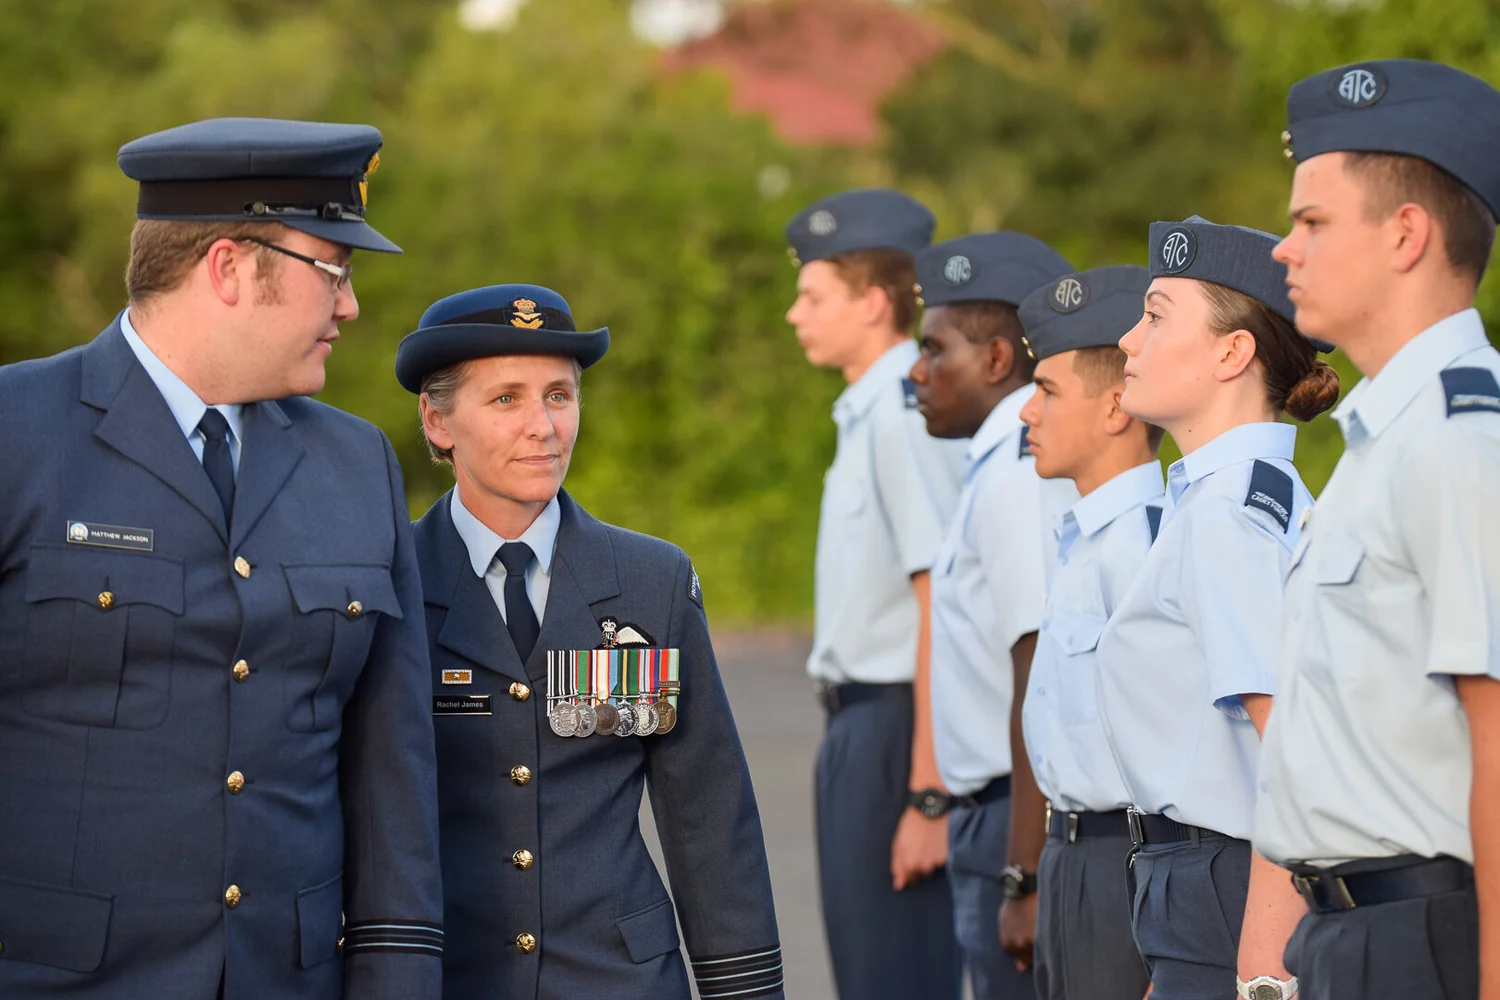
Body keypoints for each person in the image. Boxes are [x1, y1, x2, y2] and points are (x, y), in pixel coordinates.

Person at [0, 118, 443, 999]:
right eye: (334, 269)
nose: (350, 305)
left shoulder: (356, 465)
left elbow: (393, 774)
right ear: (230, 268)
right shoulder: (17, 433)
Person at [395, 283, 783, 1000]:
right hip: (450, 979)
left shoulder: (648, 582)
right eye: (506, 398)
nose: (543, 427)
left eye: (559, 396)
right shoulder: (391, 585)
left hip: (620, 979)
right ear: (437, 419)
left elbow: (707, 819)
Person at [1255, 59, 1500, 1000]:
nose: (1285, 248)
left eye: (1312, 221)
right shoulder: (1377, 445)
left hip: (1420, 941)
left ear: (1406, 234)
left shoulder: (1457, 438)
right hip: (1344, 938)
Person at [1094, 216, 1340, 1000]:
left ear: (1233, 353)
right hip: (1199, 883)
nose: (1129, 341)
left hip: (1230, 885)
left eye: (1157, 316)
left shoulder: (1225, 516)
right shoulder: (1237, 499)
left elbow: (1290, 753)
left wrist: (1262, 969)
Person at [784, 188, 967, 1000]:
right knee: (867, 970)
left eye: (812, 296)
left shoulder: (904, 414)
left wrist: (928, 793)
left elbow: (942, 601)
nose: (795, 314)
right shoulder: (869, 411)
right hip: (860, 725)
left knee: (896, 974)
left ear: (872, 302)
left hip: (898, 728)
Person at [906, 231, 1075, 998]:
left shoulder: (1016, 476)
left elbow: (1037, 669)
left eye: (935, 349)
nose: (917, 371)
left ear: (999, 360)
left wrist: (1024, 874)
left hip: (1016, 817)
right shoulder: (995, 464)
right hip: (995, 815)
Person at [1014, 264, 1160, 1000]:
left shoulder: (1142, 548)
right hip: (1071, 854)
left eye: (1045, 392)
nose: (1024, 414)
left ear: (1116, 407)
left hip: (1123, 859)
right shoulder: (1085, 539)